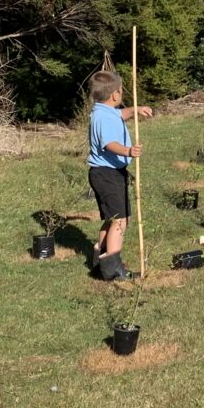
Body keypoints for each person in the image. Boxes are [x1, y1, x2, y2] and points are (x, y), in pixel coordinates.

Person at [86, 70, 152, 281]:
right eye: (121, 90)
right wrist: (128, 151)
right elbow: (109, 144)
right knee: (119, 221)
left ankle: (101, 259)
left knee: (114, 218)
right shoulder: (103, 118)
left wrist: (135, 110)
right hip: (107, 174)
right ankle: (113, 270)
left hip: (108, 173)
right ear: (115, 94)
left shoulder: (104, 111)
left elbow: (120, 115)